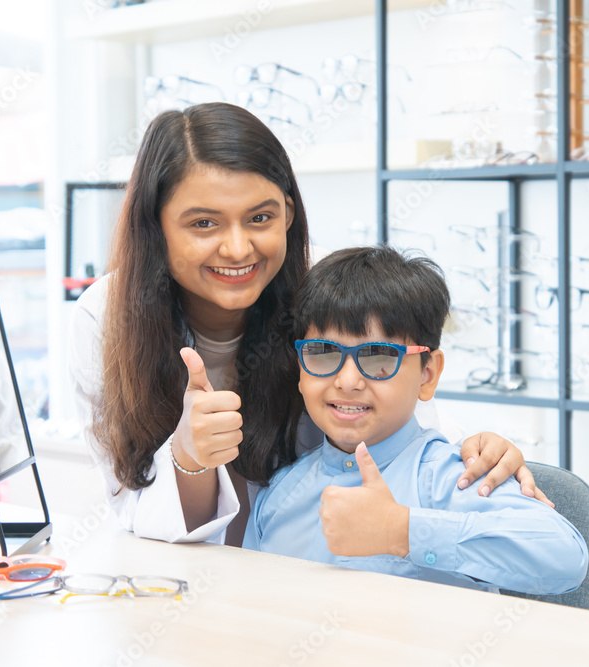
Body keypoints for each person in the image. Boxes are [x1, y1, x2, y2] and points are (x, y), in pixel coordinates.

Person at [68, 102, 548, 547]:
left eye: (259, 217)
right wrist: (188, 458)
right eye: (204, 224)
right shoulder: (106, 318)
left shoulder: (321, 291)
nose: (237, 249)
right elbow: (131, 504)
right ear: (156, 226)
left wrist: (477, 452)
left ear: (288, 215)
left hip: (319, 566)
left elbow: (402, 422)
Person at [243, 246, 588, 595]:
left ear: (427, 375)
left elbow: (566, 557)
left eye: (379, 356)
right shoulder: (278, 494)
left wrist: (401, 530)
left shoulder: (451, 477)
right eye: (323, 352)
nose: (347, 381)